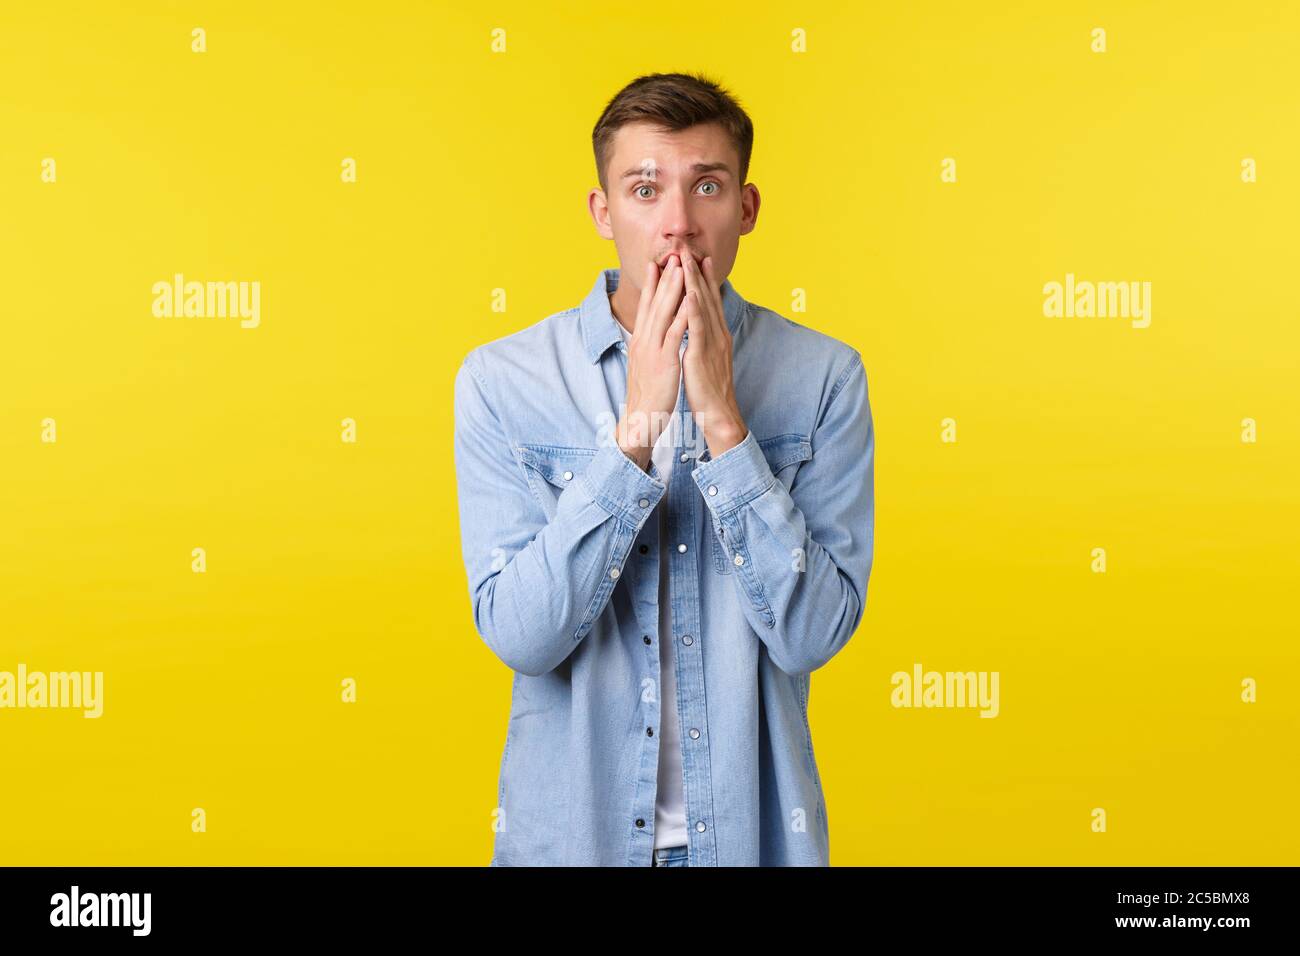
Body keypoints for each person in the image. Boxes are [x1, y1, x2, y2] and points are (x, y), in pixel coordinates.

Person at [453, 71, 875, 866]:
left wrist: (723, 421)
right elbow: (522, 636)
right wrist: (637, 429)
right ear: (602, 211)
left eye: (706, 186)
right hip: (573, 845)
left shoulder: (825, 379)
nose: (677, 226)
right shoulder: (502, 381)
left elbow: (813, 635)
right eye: (645, 190)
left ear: (746, 208)